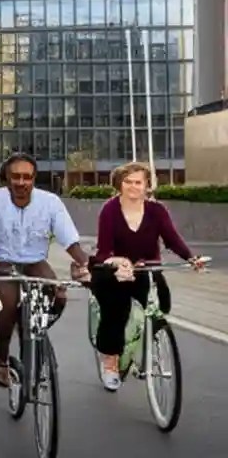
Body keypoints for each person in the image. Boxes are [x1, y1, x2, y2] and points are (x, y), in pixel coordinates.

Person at [0, 152, 91, 387]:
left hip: (34, 262)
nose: (21, 182)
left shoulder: (50, 202)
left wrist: (85, 264)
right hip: (2, 263)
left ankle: (33, 331)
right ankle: (2, 361)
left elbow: (68, 239)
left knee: (59, 296)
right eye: (15, 177)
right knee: (5, 304)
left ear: (34, 178)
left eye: (27, 177)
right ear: (6, 178)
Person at [89, 162, 206, 391]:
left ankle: (145, 342)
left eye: (138, 182)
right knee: (116, 309)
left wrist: (191, 258)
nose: (133, 187)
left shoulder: (157, 211)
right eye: (128, 182)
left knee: (162, 303)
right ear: (119, 185)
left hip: (146, 269)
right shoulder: (110, 210)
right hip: (113, 270)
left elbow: (172, 239)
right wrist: (117, 262)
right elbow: (104, 250)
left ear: (147, 186)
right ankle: (111, 362)